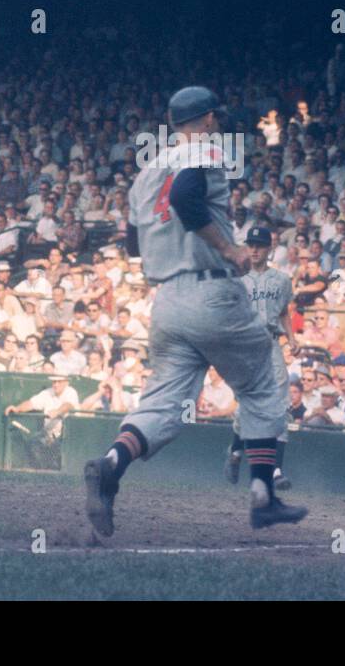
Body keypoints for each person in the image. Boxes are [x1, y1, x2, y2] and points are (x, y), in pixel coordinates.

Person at [84, 86, 306, 537]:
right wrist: (227, 246)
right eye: (215, 118)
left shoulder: (147, 171)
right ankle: (263, 494)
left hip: (167, 300)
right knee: (262, 384)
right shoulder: (205, 148)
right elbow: (187, 197)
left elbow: (132, 242)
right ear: (205, 120)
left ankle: (112, 463)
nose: (218, 125)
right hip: (213, 290)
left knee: (164, 403)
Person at [226, 226, 296, 490]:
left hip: (271, 342)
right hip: (245, 345)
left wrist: (292, 338)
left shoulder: (281, 280)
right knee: (248, 403)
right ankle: (235, 452)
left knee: (282, 403)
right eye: (251, 244)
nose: (254, 249)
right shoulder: (237, 281)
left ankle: (276, 469)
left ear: (269, 249)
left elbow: (284, 313)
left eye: (260, 245)